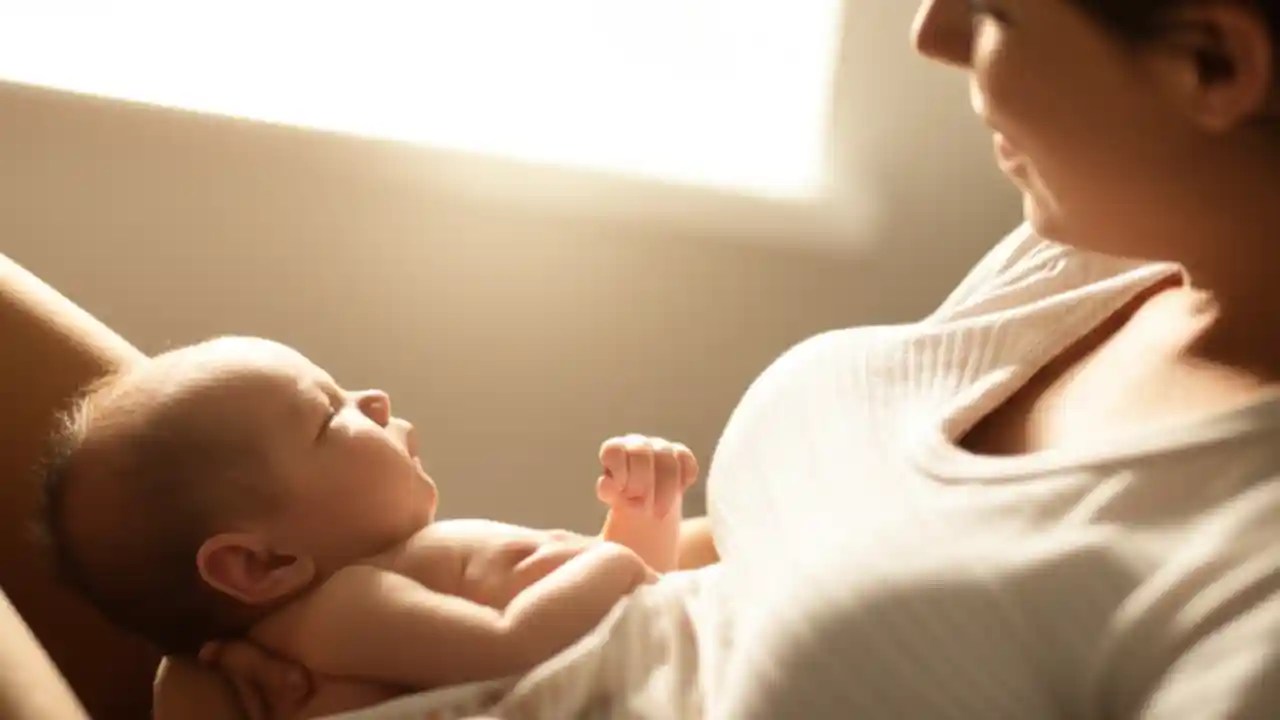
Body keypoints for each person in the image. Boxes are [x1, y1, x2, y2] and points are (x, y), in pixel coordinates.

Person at [162, 0, 1280, 717]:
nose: (929, 33)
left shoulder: (1244, 585)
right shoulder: (1089, 245)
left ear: (1212, 61)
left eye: (992, 10)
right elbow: (752, 584)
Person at [40, 336, 709, 719]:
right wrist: (612, 564)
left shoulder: (387, 579)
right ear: (261, 564)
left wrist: (641, 519)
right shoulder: (343, 609)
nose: (375, 399)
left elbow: (603, 644)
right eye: (329, 416)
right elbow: (515, 650)